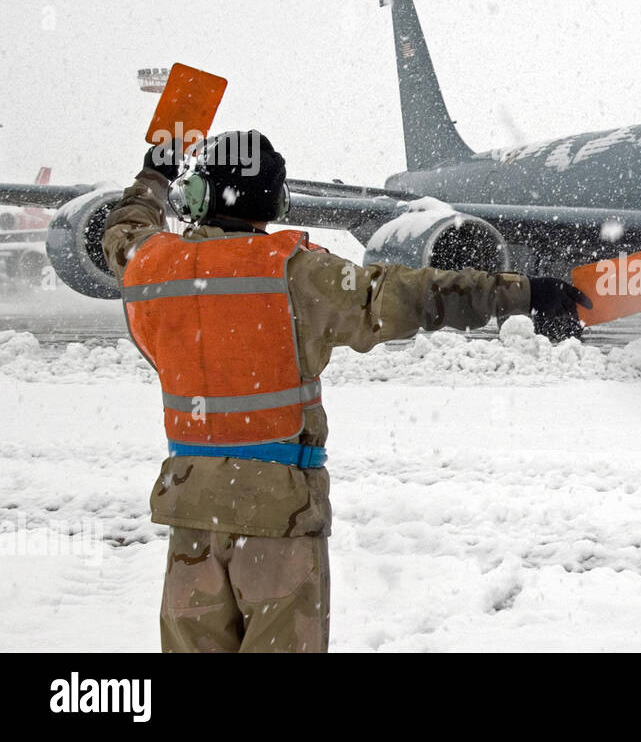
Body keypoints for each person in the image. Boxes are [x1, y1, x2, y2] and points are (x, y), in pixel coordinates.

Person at [101, 130, 591, 652]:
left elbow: (124, 229)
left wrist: (154, 174)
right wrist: (525, 291)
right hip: (278, 517)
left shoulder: (152, 265)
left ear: (199, 195)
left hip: (190, 513)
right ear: (275, 199)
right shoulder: (297, 273)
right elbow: (414, 295)